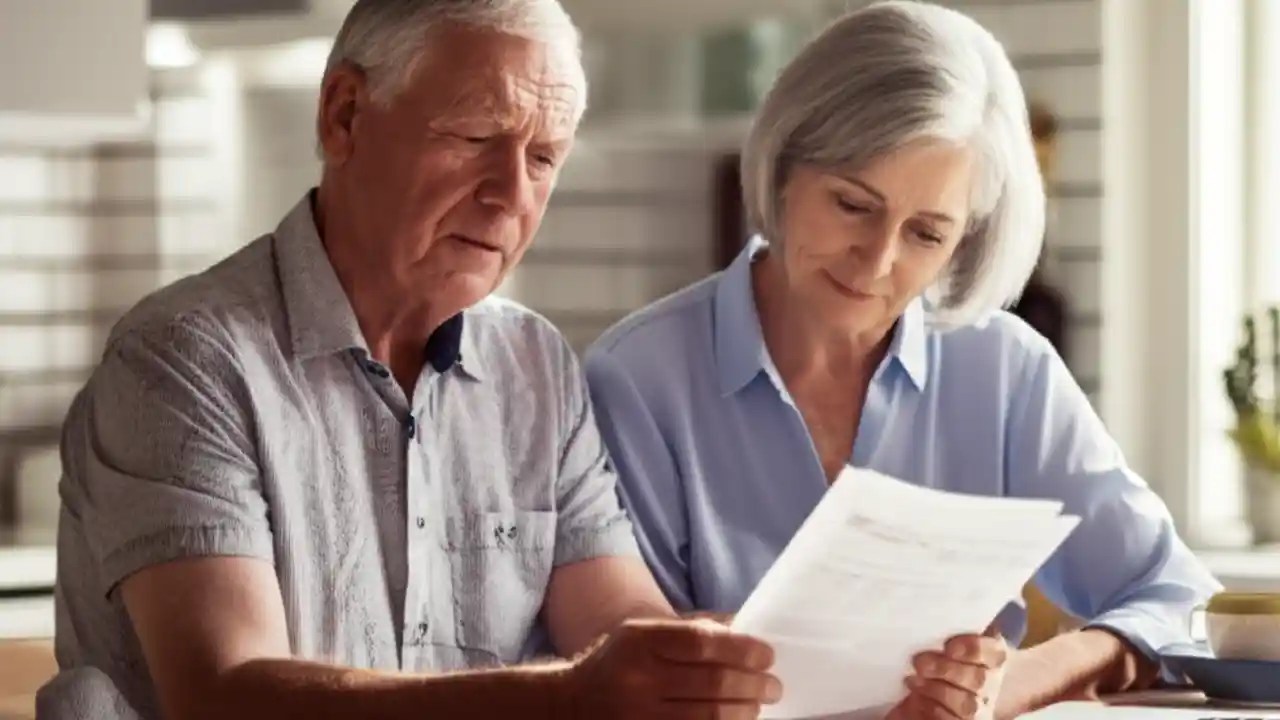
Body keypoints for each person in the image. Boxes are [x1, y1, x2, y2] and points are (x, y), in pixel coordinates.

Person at [39, 2, 786, 718]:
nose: (510, 196)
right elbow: (226, 694)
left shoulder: (537, 367)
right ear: (344, 116)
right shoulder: (184, 358)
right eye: (474, 137)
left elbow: (620, 631)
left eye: (543, 157)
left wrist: (749, 672)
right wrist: (569, 699)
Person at [585, 2, 1222, 719]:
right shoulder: (638, 380)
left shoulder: (1004, 372)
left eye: (926, 233)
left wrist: (1013, 681)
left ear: (965, 242)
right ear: (787, 167)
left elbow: (1175, 598)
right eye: (853, 206)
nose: (878, 260)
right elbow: (624, 663)